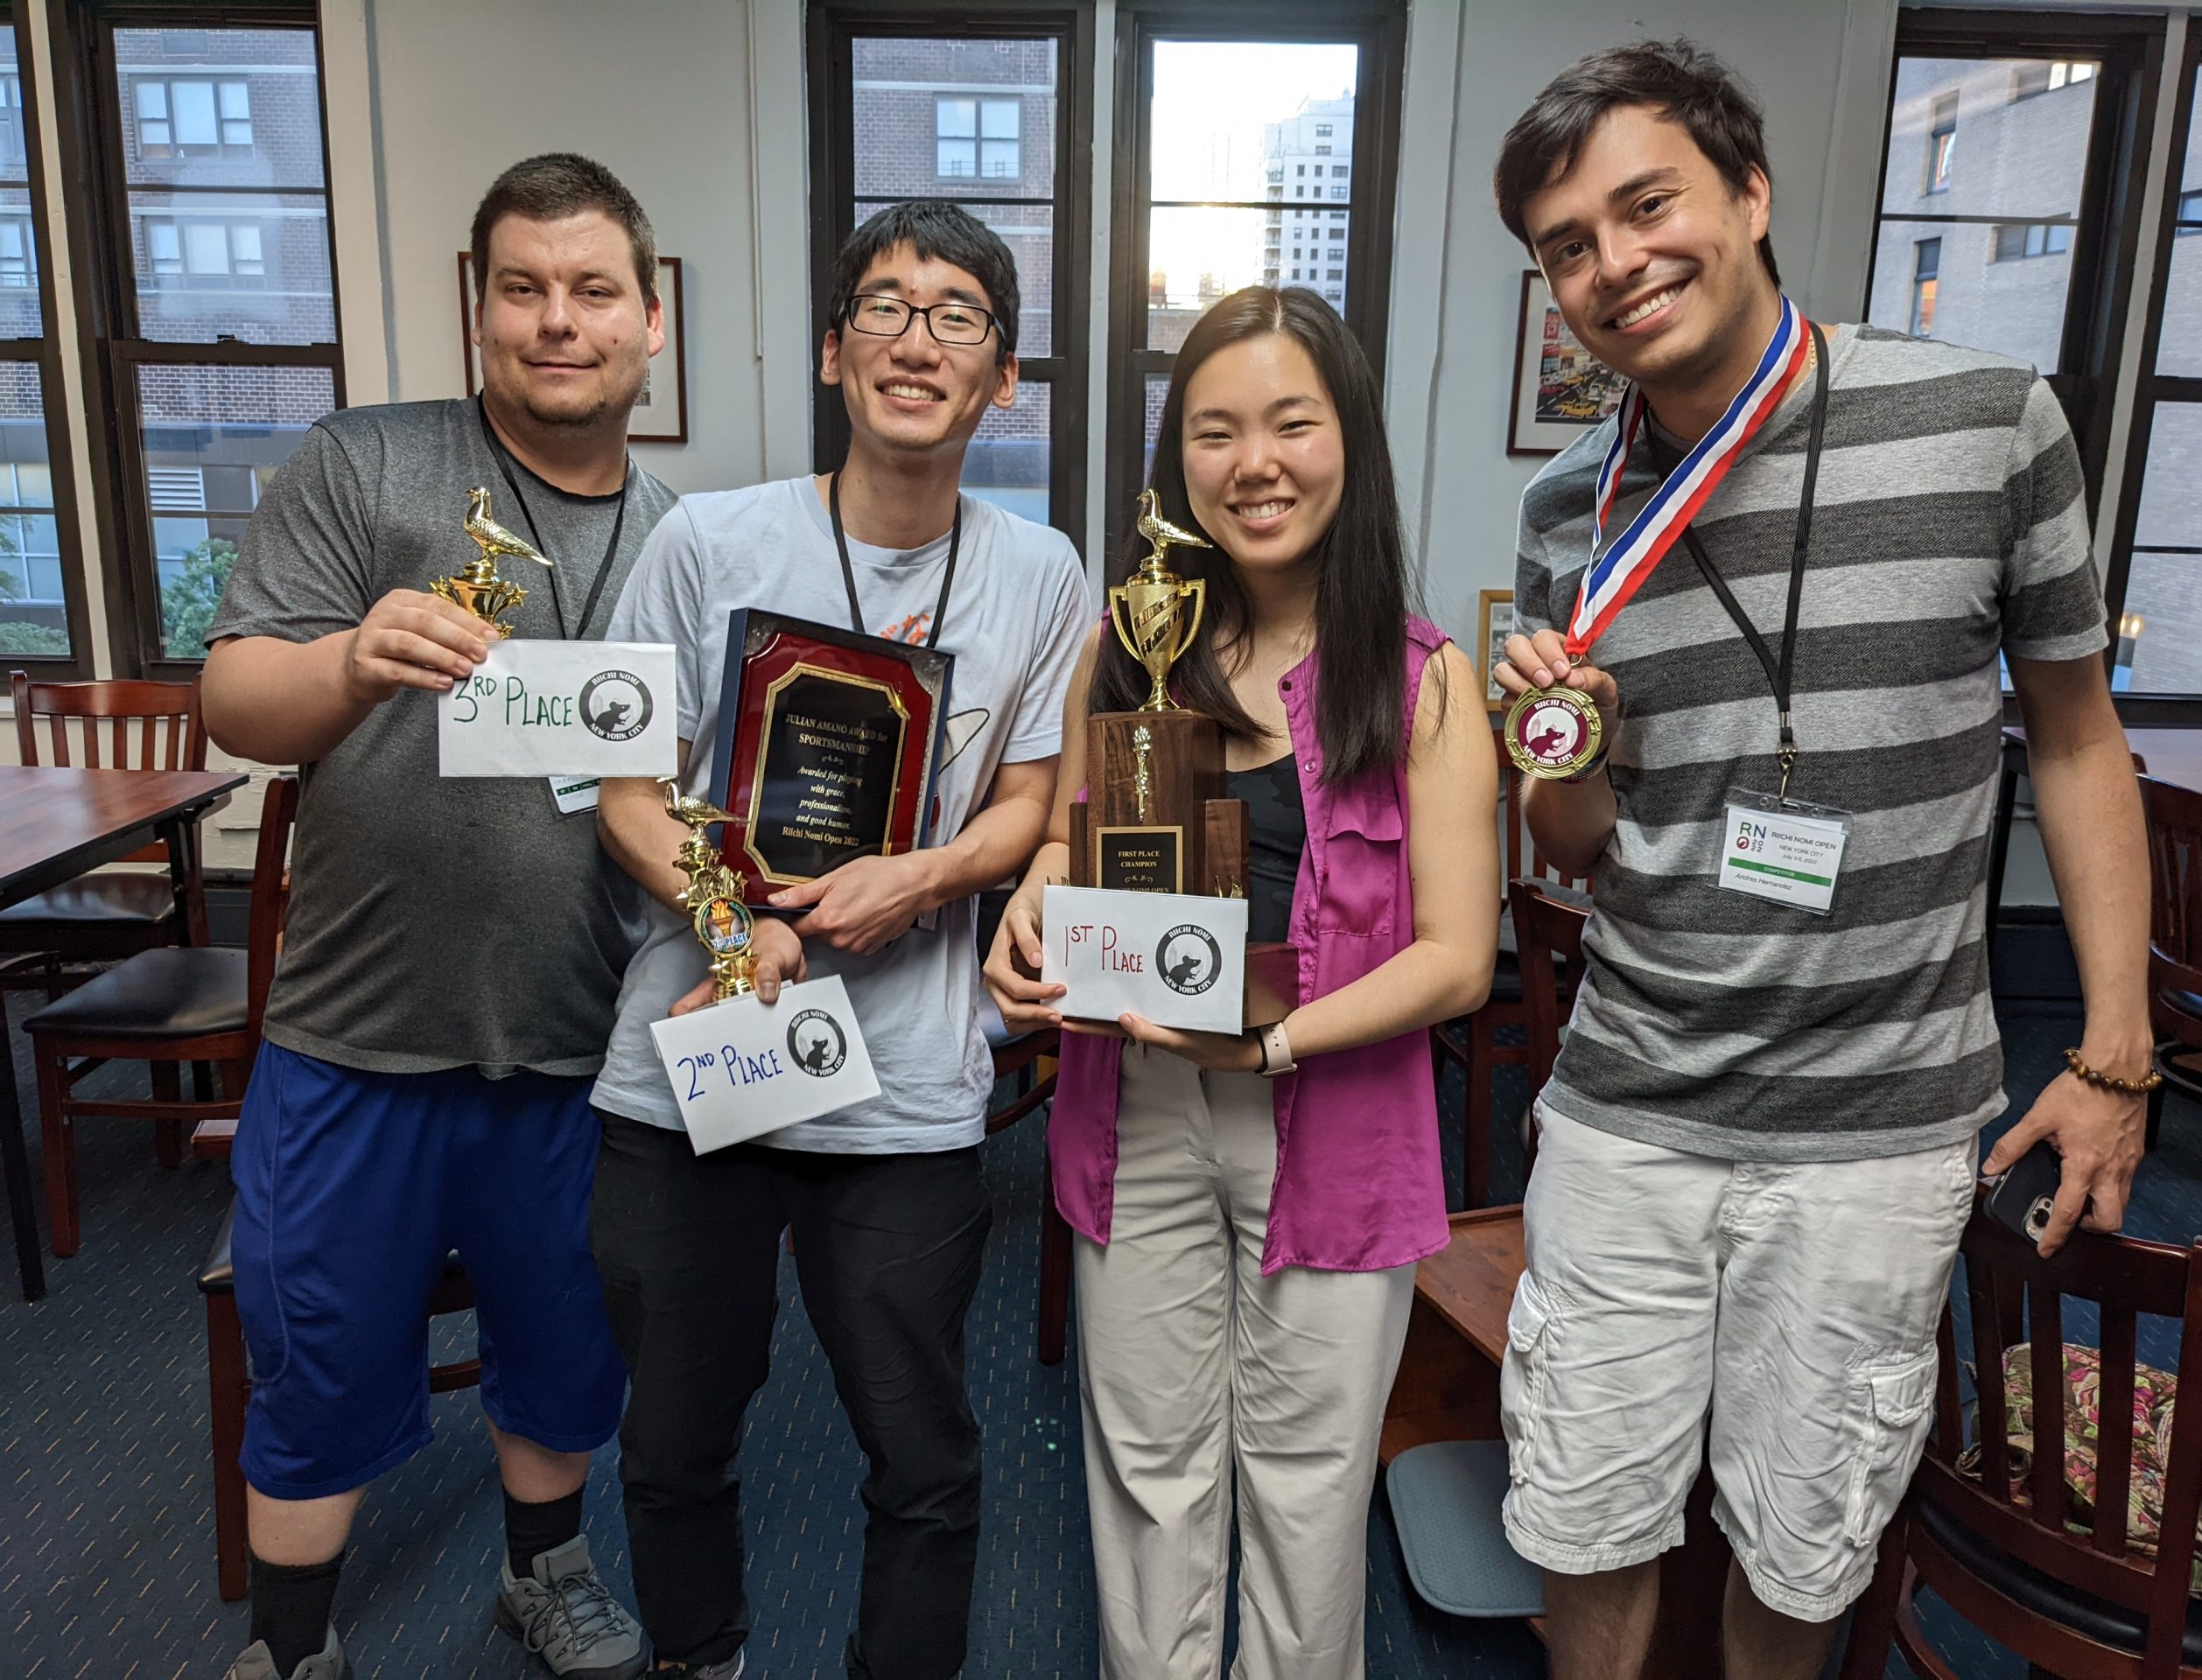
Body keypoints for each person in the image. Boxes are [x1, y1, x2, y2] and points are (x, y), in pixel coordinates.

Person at [1487, 41, 2152, 1680]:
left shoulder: (1988, 424)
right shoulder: (1579, 512)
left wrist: (2118, 1052)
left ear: (1751, 191)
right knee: (1587, 1528)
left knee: (1805, 1546)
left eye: (1646, 205)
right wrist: (1546, 750)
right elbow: (1570, 848)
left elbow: (2075, 740)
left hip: (1877, 1132)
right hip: (1631, 1108)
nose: (1612, 265)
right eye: (1567, 245)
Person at [586, 199, 1093, 1680]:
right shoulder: (707, 541)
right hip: (699, 1059)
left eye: (956, 316)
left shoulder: (1041, 574)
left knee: (920, 1451)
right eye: (883, 307)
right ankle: (699, 1655)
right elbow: (623, 791)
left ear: (1003, 378)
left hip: (905, 1088)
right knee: (672, 1432)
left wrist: (920, 880)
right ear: (832, 350)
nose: (914, 338)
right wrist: (732, 911)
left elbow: (1024, 806)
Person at [201, 153, 675, 1680]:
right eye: (522, 288)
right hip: (360, 1033)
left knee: (564, 1339)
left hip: (573, 1040)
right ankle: (292, 1647)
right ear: (477, 308)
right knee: (319, 1348)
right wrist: (349, 659)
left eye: (592, 290)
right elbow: (234, 701)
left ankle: (546, 1572)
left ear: (648, 321)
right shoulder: (367, 465)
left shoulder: (687, 538)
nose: (558, 321)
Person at [984, 285, 1501, 1679]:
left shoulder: (1424, 683)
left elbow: (1462, 959)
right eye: (1215, 432)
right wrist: (1029, 911)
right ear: (1179, 458)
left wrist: (1268, 1052)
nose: (1253, 463)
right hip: (1135, 1101)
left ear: (1351, 442)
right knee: (1149, 1473)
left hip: (1327, 1117)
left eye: (1292, 423)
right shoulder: (1135, 641)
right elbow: (1066, 839)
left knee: (1307, 1487)